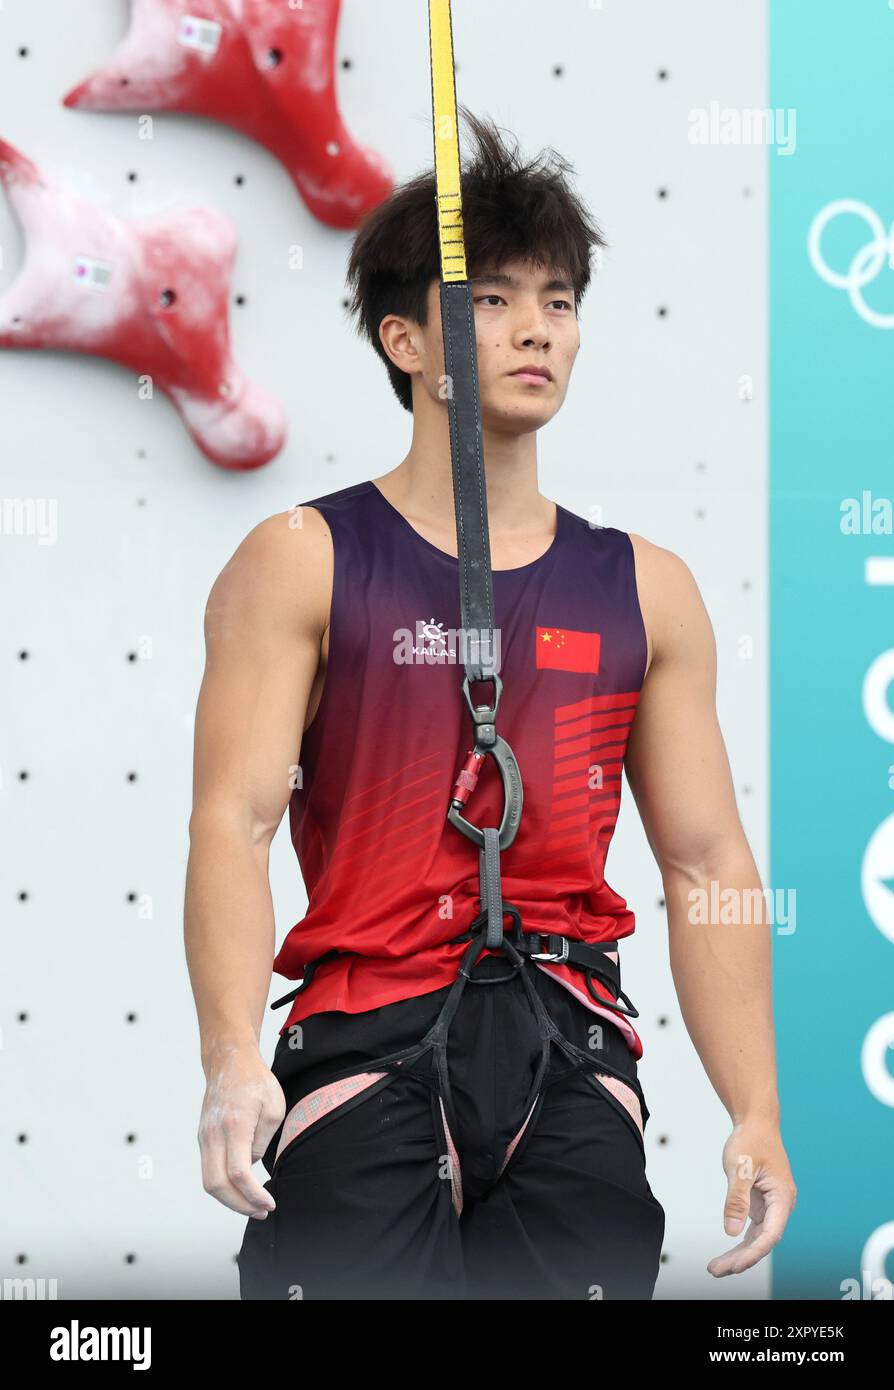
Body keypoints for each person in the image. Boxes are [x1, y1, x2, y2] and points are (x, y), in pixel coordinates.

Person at [184, 111, 796, 1301]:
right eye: (495, 299)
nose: (535, 329)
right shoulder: (302, 557)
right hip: (366, 1047)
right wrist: (229, 1058)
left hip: (571, 1051)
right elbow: (233, 822)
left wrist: (757, 1107)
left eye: (560, 301)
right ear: (405, 338)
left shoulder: (645, 586)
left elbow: (708, 855)